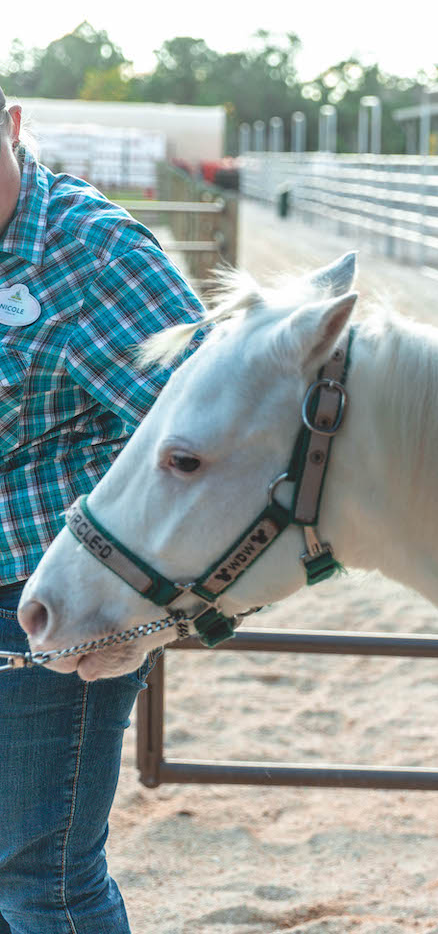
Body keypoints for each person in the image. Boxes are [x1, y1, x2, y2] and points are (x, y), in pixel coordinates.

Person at [0, 90, 204, 932]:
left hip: (53, 604)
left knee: (39, 877)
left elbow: (208, 441)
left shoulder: (94, 256)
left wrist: (150, 608)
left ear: (10, 124)